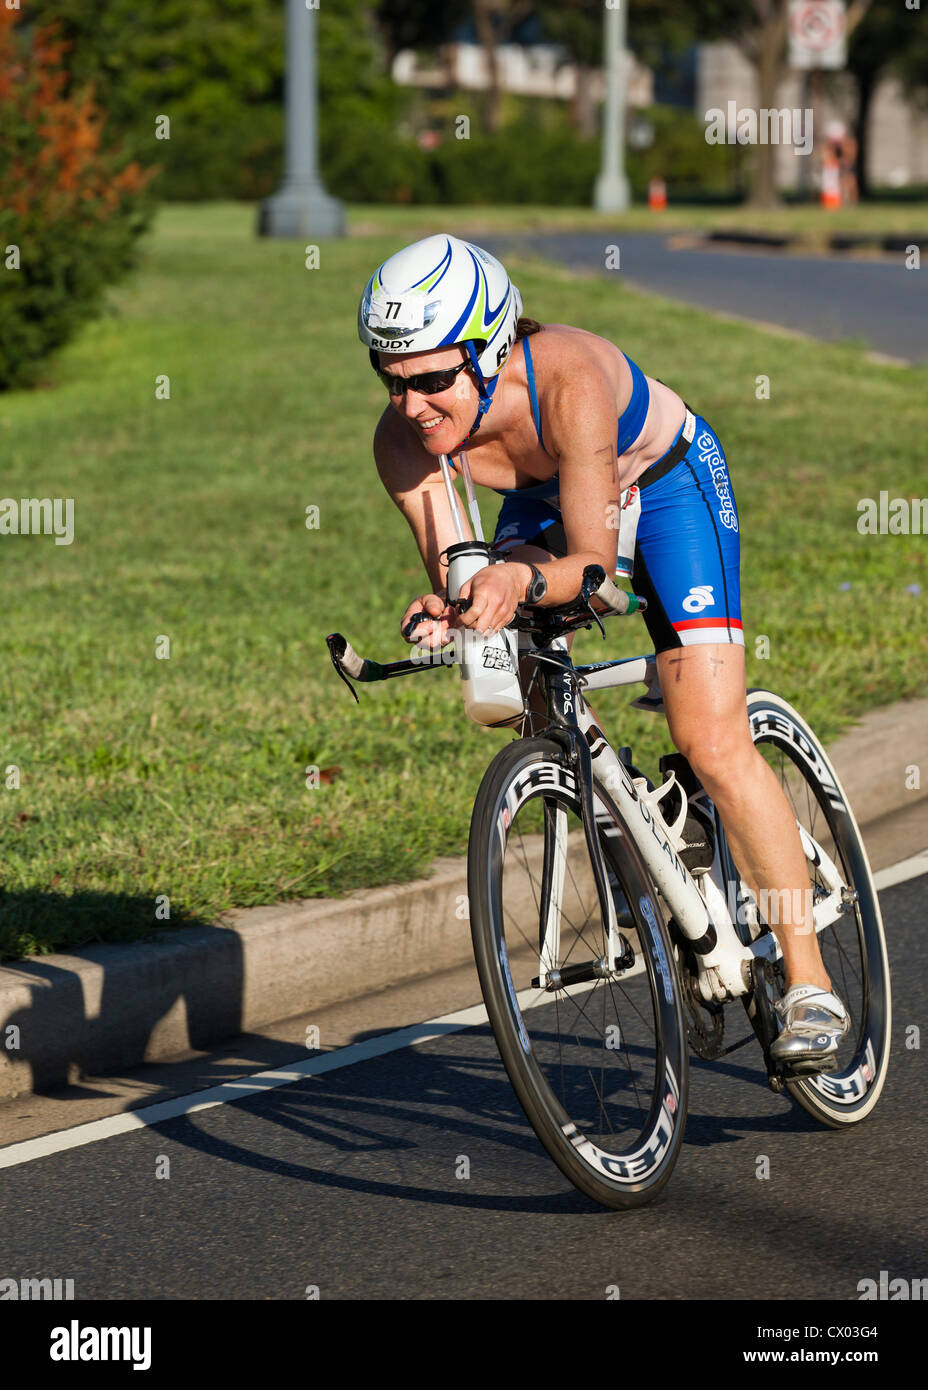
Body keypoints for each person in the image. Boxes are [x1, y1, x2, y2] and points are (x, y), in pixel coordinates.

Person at [358, 232, 848, 1071]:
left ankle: (809, 983)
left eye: (434, 380)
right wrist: (458, 604)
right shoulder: (403, 443)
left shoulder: (569, 378)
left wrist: (519, 582)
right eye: (391, 379)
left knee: (710, 735)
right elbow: (462, 560)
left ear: (494, 351)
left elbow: (593, 566)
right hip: (550, 507)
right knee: (528, 695)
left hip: (663, 488)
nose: (411, 406)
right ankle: (667, 901)